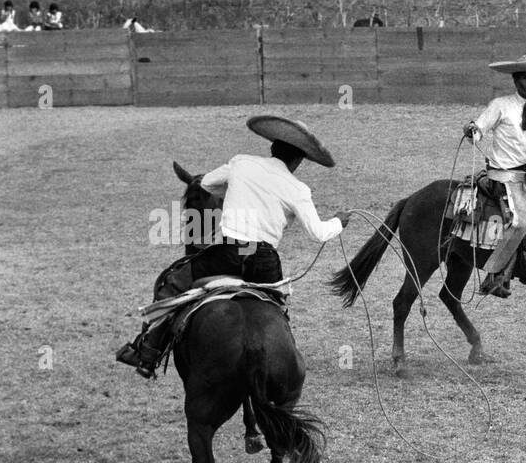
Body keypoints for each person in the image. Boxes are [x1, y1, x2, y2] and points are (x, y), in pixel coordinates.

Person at [116, 116, 350, 378]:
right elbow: (319, 233)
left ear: (272, 147)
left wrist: (233, 193)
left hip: (227, 254)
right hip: (264, 263)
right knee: (276, 306)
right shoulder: (298, 189)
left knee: (172, 284)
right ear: (298, 160)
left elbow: (205, 184)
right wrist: (339, 222)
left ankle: (147, 354)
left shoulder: (242, 163)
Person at [464, 53, 526, 298]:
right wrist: (473, 130)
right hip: (502, 176)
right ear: (516, 80)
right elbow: (480, 129)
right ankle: (494, 276)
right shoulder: (500, 105)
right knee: (519, 223)